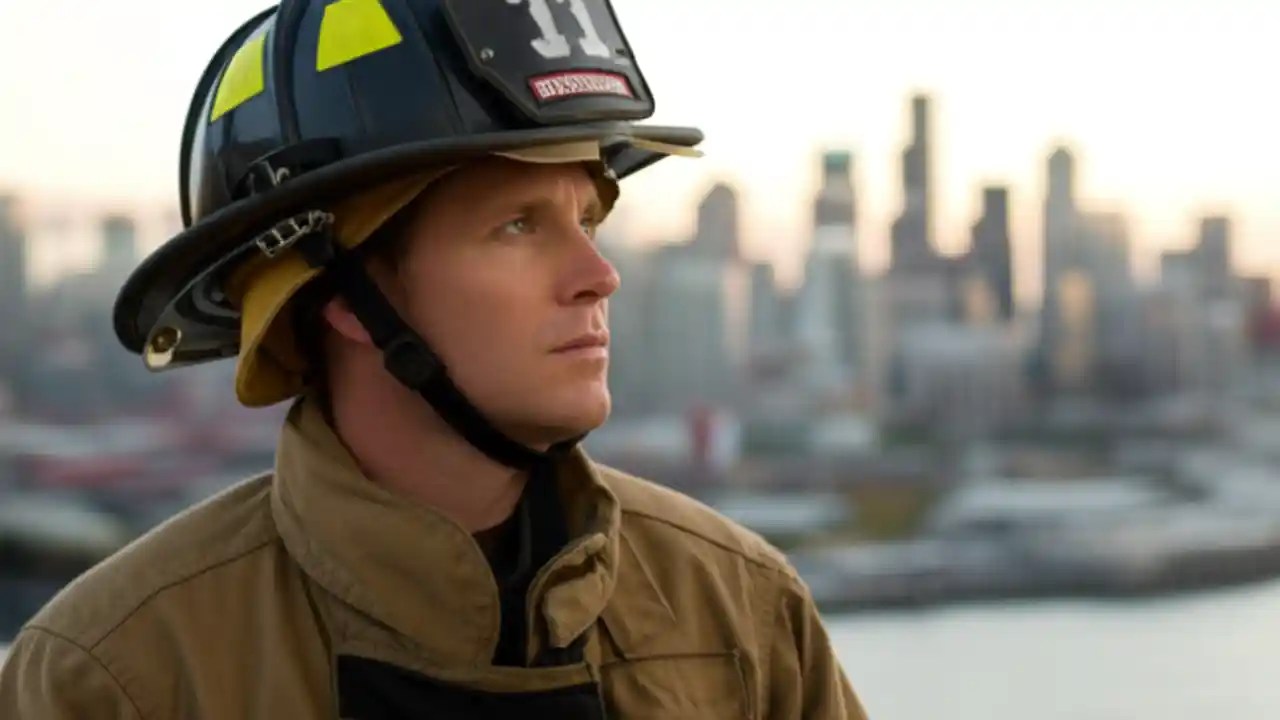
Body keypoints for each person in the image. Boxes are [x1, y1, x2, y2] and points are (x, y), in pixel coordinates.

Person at [0, 0, 866, 717]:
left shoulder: (742, 614)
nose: (597, 277)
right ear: (342, 293)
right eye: (518, 227)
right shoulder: (114, 678)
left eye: (587, 221)